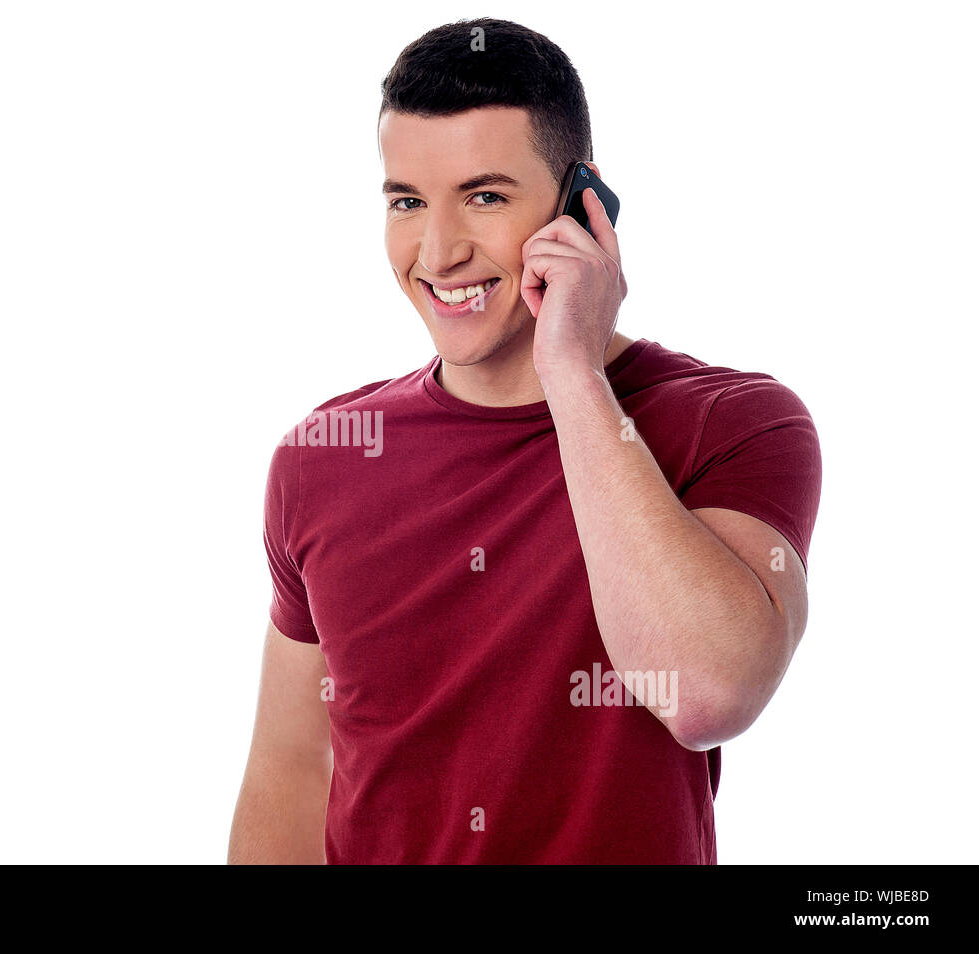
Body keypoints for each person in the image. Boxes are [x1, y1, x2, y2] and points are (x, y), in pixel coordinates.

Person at [228, 17, 822, 864]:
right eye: (407, 202)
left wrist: (572, 371)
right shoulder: (323, 456)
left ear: (583, 205)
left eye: (485, 197)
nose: (439, 253)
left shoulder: (734, 422)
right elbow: (292, 771)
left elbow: (706, 692)